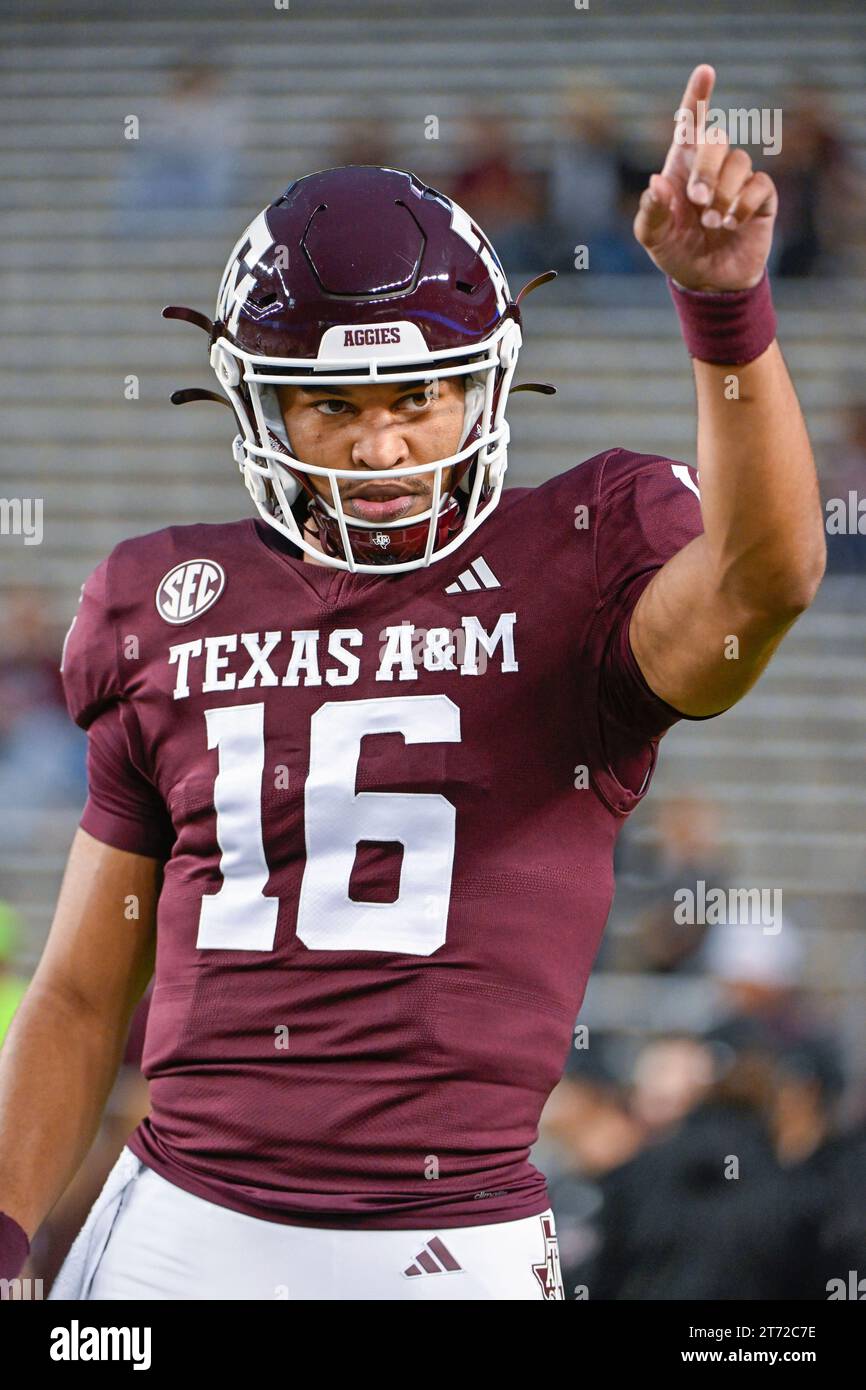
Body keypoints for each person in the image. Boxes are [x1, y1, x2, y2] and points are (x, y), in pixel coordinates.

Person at [0, 65, 826, 1300]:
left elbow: (762, 583)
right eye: (330, 405)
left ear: (482, 385)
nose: (381, 445)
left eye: (418, 397)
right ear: (259, 406)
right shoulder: (157, 601)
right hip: (180, 1225)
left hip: (452, 1247)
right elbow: (75, 991)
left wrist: (724, 313)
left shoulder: (583, 552)